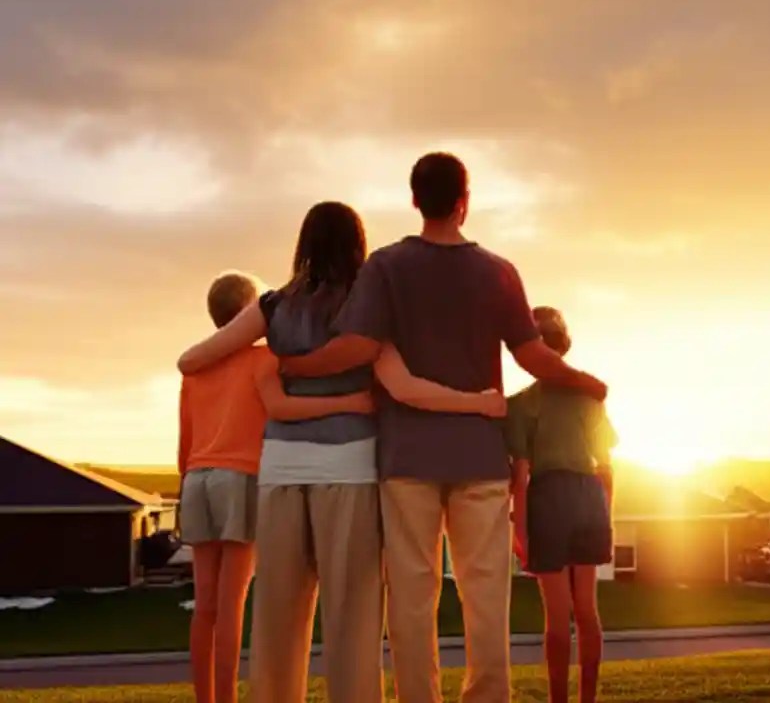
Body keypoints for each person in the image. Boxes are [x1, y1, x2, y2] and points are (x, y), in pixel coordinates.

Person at [278, 153, 608, 703]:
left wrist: (294, 367)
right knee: (485, 601)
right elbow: (533, 356)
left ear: (414, 200)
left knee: (411, 599)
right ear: (464, 201)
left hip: (407, 459)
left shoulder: (384, 266)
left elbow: (355, 347)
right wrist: (585, 381)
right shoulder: (498, 271)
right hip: (479, 458)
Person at [177, 203, 504, 703]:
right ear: (358, 244)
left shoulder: (273, 306)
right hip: (348, 468)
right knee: (351, 617)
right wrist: (477, 403)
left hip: (280, 471)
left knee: (277, 617)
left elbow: (192, 359)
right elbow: (401, 386)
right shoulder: (369, 306)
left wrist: (277, 363)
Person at [178, 270, 374, 703]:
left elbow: (184, 442)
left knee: (205, 604)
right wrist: (349, 402)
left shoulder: (196, 370)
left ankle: (205, 699)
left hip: (196, 479)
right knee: (232, 604)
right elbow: (281, 408)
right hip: (240, 477)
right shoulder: (264, 359)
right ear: (249, 314)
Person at [507, 306, 617, 703]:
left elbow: (520, 477)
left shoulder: (519, 405)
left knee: (557, 615)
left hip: (549, 499)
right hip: (588, 497)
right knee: (586, 610)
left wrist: (520, 532)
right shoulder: (589, 399)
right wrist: (608, 516)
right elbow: (606, 469)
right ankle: (588, 699)